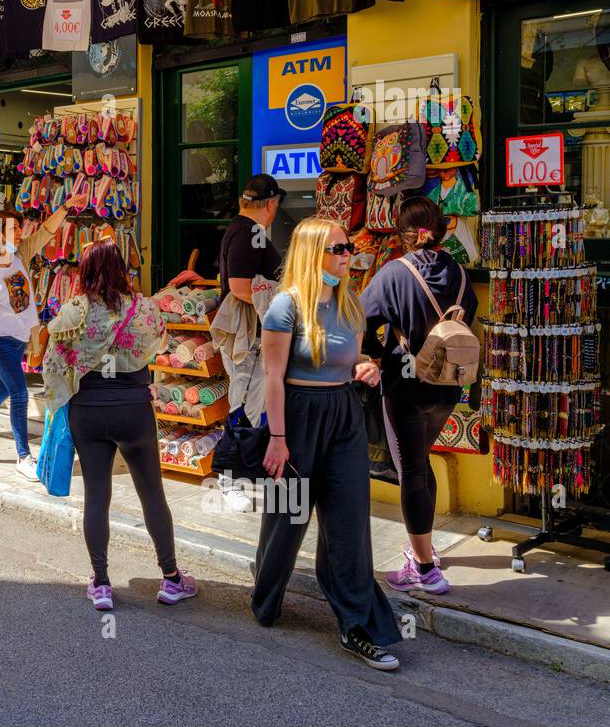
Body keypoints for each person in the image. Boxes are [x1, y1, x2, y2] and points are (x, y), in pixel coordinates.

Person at [254, 217, 401, 671]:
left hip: (342, 415)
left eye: (348, 247)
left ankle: (356, 623)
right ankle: (267, 595)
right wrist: (277, 439)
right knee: (287, 518)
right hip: (296, 416)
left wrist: (365, 367)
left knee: (349, 520)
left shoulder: (350, 303)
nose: (347, 256)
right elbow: (273, 378)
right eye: (338, 248)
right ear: (312, 252)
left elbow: (350, 356)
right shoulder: (284, 307)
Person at [43, 241, 198, 611]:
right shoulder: (142, 308)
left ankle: (100, 584)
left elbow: (52, 363)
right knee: (152, 493)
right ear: (121, 270)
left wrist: (64, 396)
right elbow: (160, 340)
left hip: (89, 410)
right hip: (133, 407)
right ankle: (172, 578)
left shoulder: (73, 312)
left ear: (84, 272)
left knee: (97, 496)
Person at [362, 197, 478, 596]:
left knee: (410, 469)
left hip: (405, 385)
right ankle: (423, 549)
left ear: (402, 233)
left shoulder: (392, 273)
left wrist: (375, 356)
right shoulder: (460, 274)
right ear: (441, 229)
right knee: (419, 460)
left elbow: (364, 321)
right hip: (448, 385)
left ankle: (425, 569)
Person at [0, 199, 79, 478]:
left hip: (20, 339)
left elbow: (46, 232)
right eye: (14, 229)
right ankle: (23, 457)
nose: (20, 233)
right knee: (19, 393)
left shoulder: (20, 255)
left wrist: (66, 206)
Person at [214, 172, 284, 512]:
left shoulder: (241, 230)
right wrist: (279, 293)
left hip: (256, 339)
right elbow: (241, 287)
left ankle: (248, 474)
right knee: (242, 409)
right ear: (270, 204)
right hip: (251, 340)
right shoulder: (248, 234)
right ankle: (228, 480)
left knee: (255, 410)